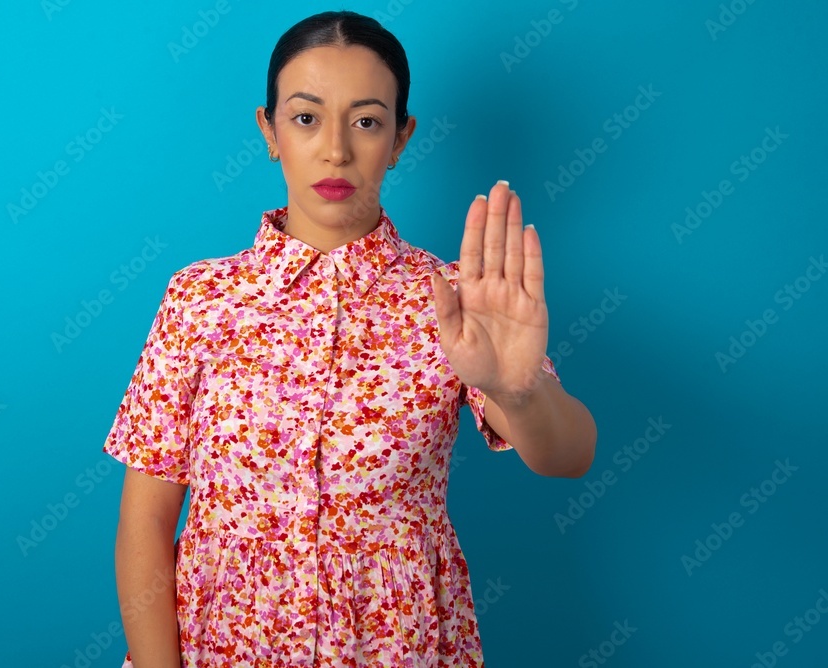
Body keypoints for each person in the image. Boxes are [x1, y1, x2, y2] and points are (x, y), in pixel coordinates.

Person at [103, 10, 597, 667]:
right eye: (306, 117)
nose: (336, 149)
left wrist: (518, 387)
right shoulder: (199, 299)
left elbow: (569, 456)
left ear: (400, 138)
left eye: (366, 121)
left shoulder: (456, 298)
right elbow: (146, 520)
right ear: (270, 130)